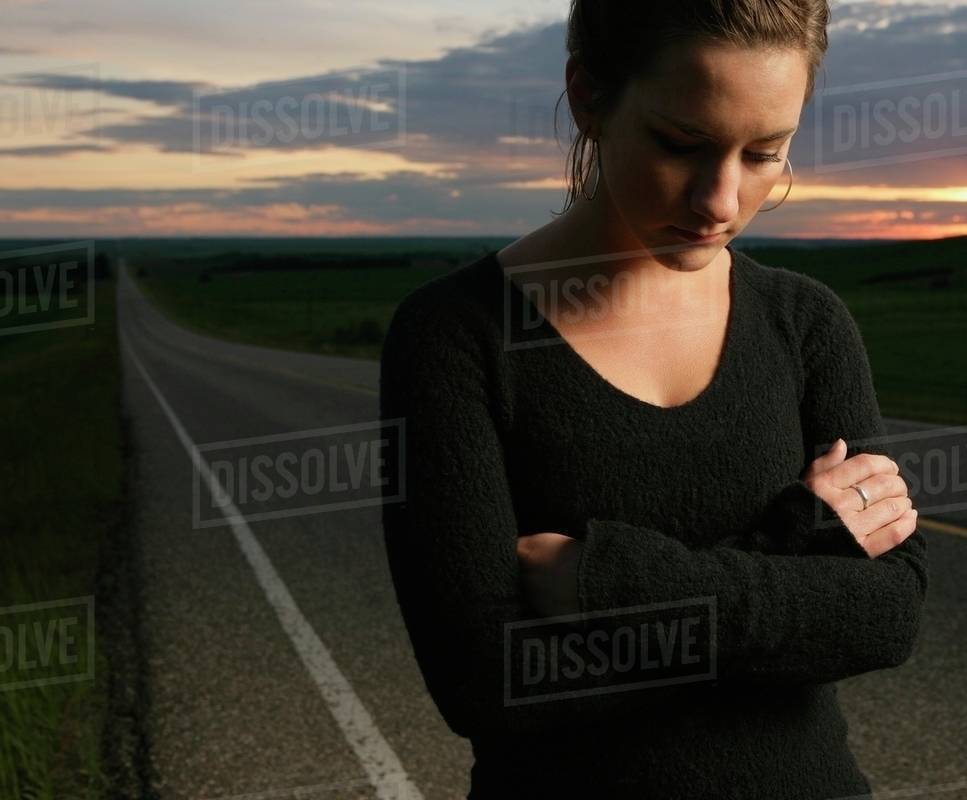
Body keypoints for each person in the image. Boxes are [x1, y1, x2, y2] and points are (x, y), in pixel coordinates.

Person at [378, 1, 928, 797]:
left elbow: (889, 613)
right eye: (681, 144)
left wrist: (610, 583)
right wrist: (798, 554)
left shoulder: (807, 324)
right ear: (588, 97)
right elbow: (486, 680)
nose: (719, 199)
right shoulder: (453, 337)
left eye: (764, 153)